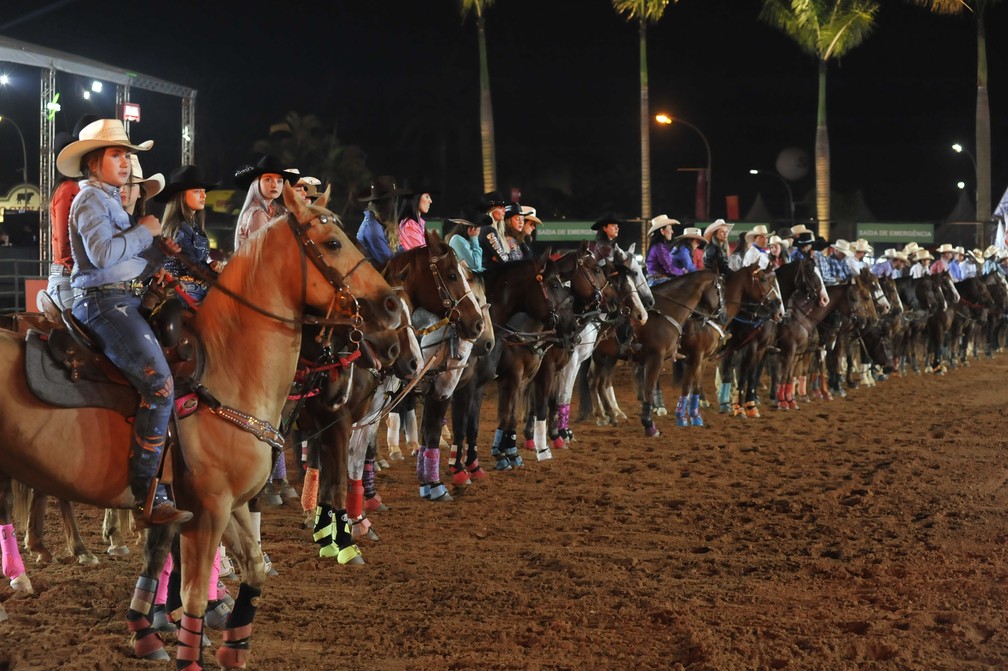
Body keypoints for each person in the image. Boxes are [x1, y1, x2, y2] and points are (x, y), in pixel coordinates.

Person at [56, 118, 190, 526]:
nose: (126, 162)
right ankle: (147, 492)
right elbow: (101, 255)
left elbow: (125, 262)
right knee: (160, 385)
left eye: (127, 155)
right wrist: (146, 231)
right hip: (102, 304)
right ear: (93, 163)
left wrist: (156, 256)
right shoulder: (88, 201)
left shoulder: (108, 200)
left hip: (121, 300)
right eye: (117, 154)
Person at [154, 164, 223, 305]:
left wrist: (212, 266)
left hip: (196, 287)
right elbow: (191, 266)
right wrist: (219, 275)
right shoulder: (179, 228)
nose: (204, 195)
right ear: (181, 196)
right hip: (183, 290)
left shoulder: (194, 226)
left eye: (204, 191)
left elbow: (197, 264)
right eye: (197, 191)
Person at [233, 155, 299, 251]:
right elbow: (261, 253)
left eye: (279, 181)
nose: (274, 185)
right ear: (257, 183)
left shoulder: (275, 210)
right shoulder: (258, 214)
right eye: (268, 179)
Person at [356, 175, 406, 266]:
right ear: (384, 204)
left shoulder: (380, 224)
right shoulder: (373, 229)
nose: (395, 205)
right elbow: (389, 262)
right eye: (393, 200)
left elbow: (400, 250)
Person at [398, 186, 435, 251]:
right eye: (427, 196)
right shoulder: (409, 225)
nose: (430, 201)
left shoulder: (415, 224)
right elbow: (423, 254)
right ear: (416, 197)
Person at [644, 214, 678, 285]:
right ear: (662, 231)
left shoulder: (656, 246)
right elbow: (669, 269)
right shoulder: (660, 247)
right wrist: (684, 272)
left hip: (654, 281)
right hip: (660, 282)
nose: (672, 231)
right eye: (670, 228)